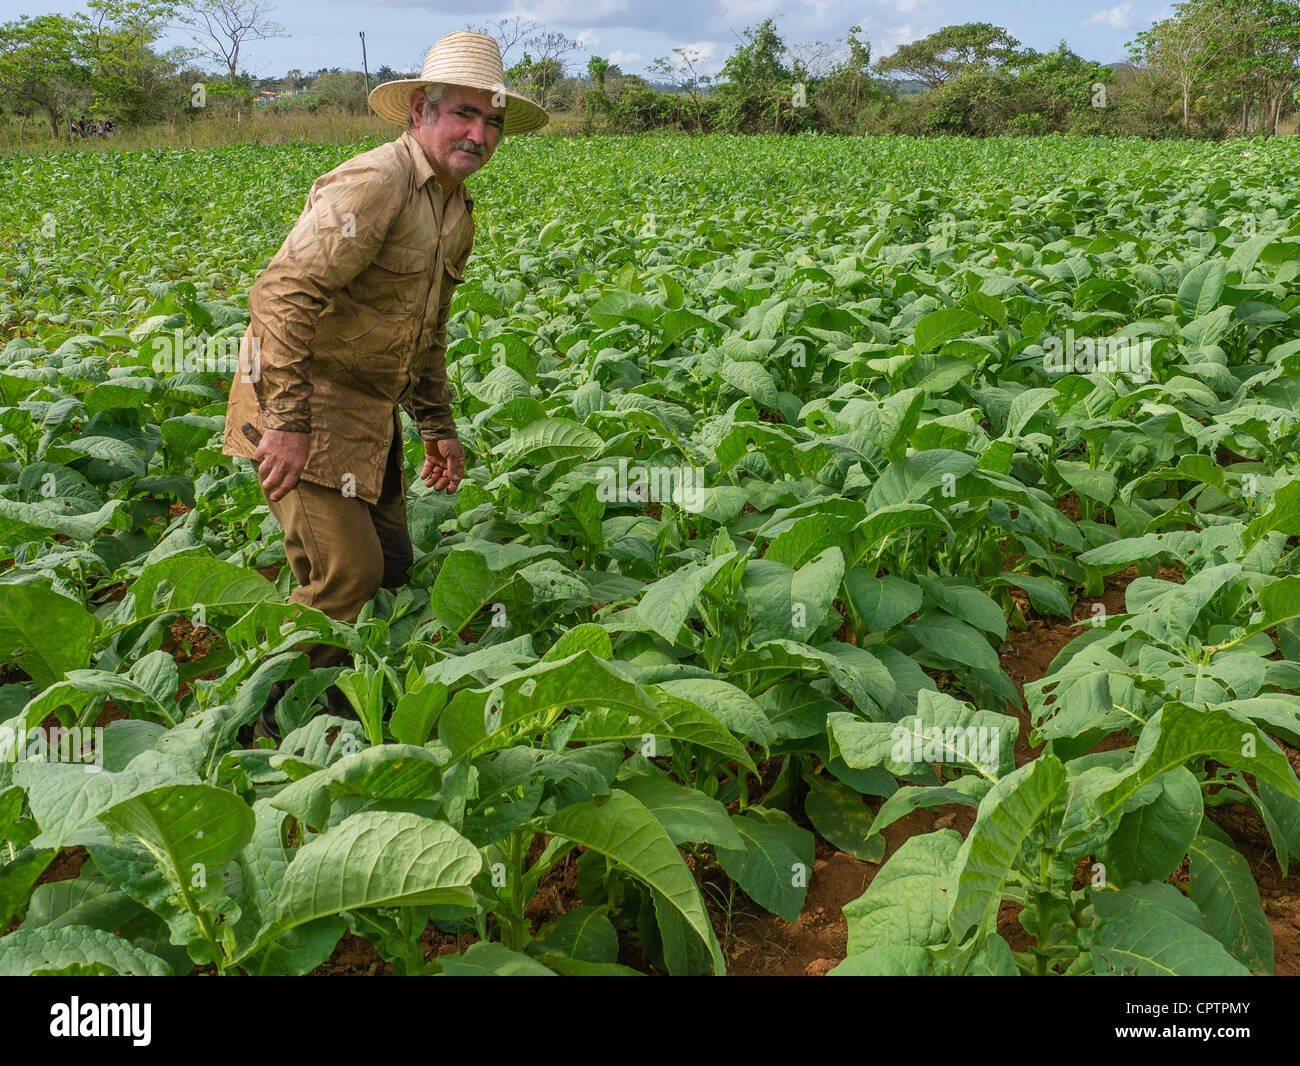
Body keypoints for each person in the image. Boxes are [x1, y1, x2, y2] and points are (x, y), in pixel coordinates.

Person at [220, 31, 549, 740]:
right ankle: (251, 731)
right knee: (350, 576)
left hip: (368, 415)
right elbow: (281, 293)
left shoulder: (454, 210)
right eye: (463, 113)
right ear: (419, 113)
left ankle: (348, 710)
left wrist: (438, 426)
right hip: (303, 402)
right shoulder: (377, 184)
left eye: (491, 120)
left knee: (395, 569)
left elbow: (425, 334)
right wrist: (285, 420)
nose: (478, 132)